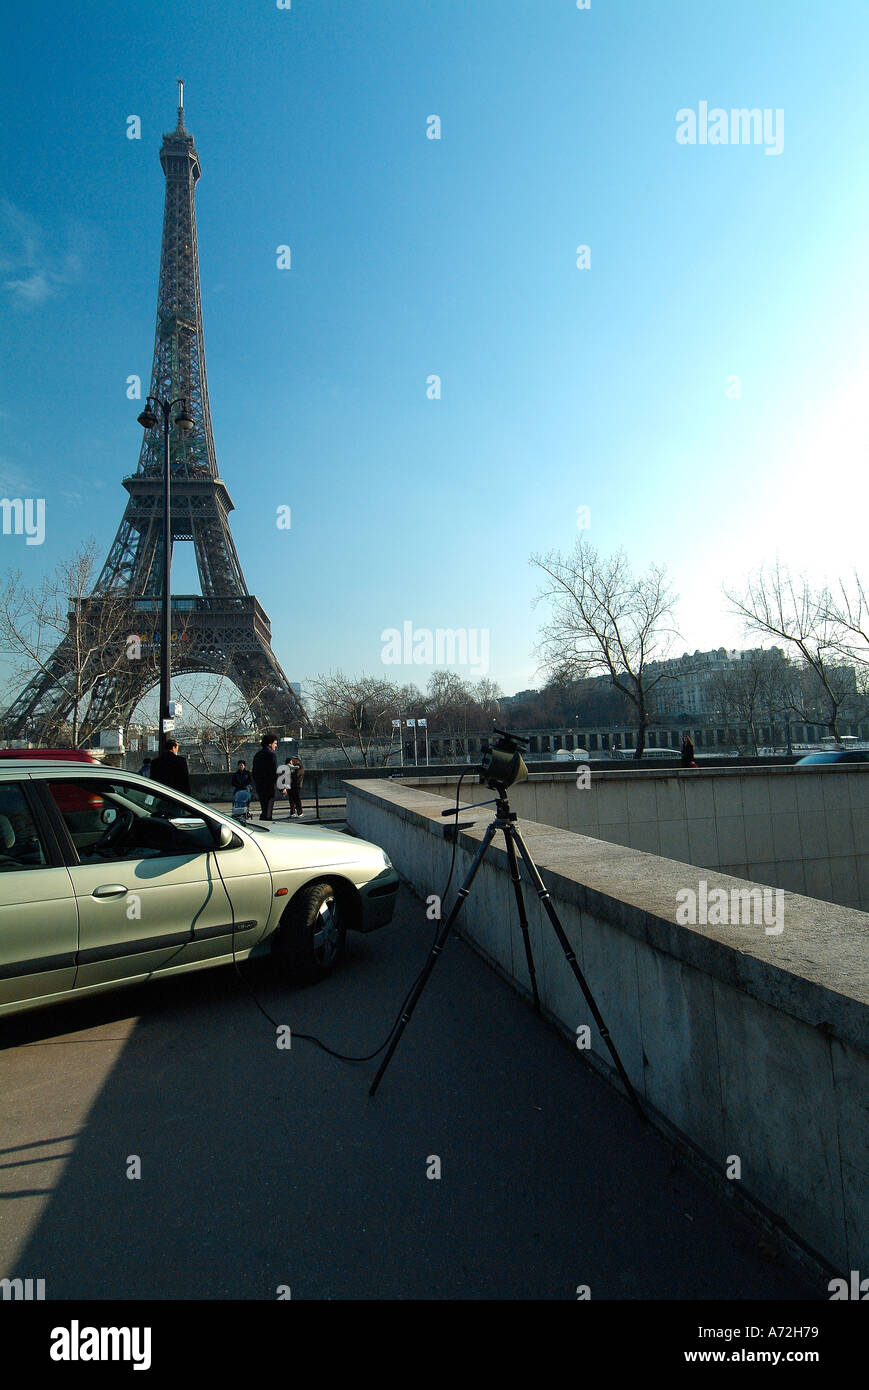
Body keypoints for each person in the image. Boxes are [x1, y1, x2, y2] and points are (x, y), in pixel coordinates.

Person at [252, 733, 282, 821]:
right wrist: (281, 787)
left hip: (260, 786)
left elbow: (254, 772)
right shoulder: (272, 755)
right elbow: (275, 772)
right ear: (270, 744)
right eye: (275, 743)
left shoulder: (257, 755)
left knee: (264, 809)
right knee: (268, 812)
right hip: (269, 787)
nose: (276, 746)